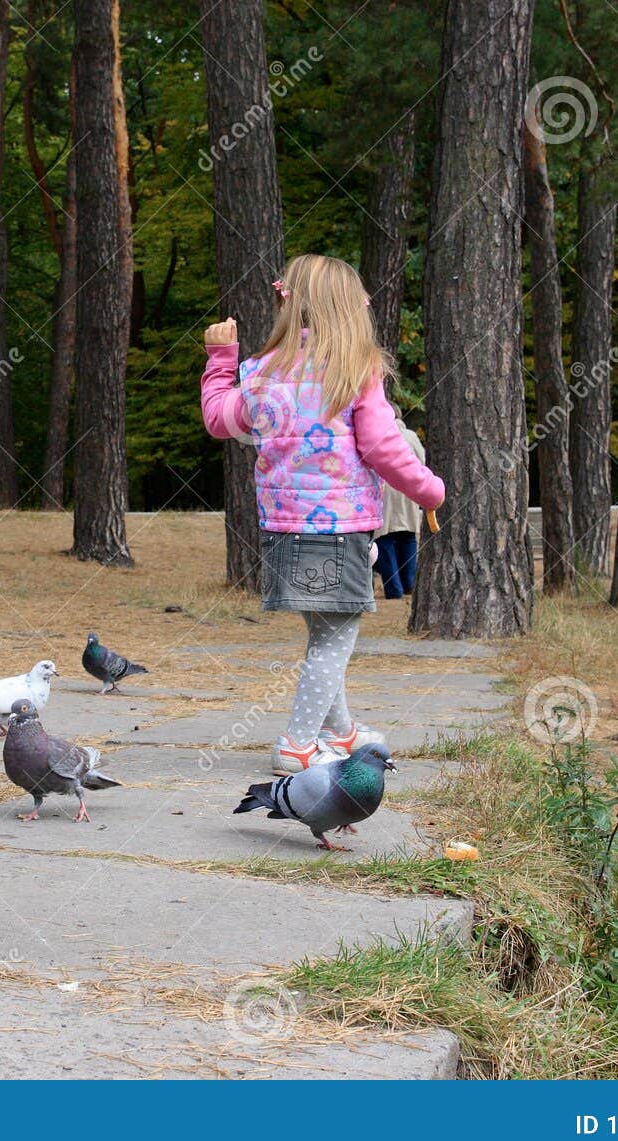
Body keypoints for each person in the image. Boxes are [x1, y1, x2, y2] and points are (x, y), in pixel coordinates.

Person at [200, 254, 445, 776]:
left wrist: (221, 358)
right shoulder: (356, 371)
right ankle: (297, 745)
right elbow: (383, 446)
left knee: (324, 636)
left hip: (283, 529)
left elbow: (219, 421)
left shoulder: (261, 372)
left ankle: (341, 732)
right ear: (349, 311)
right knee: (334, 642)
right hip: (338, 530)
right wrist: (429, 489)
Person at [373, 413, 426, 600]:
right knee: (407, 536)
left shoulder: (377, 433)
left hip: (385, 490)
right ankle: (408, 583)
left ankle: (394, 588)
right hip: (407, 488)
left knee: (385, 538)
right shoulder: (411, 436)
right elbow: (422, 459)